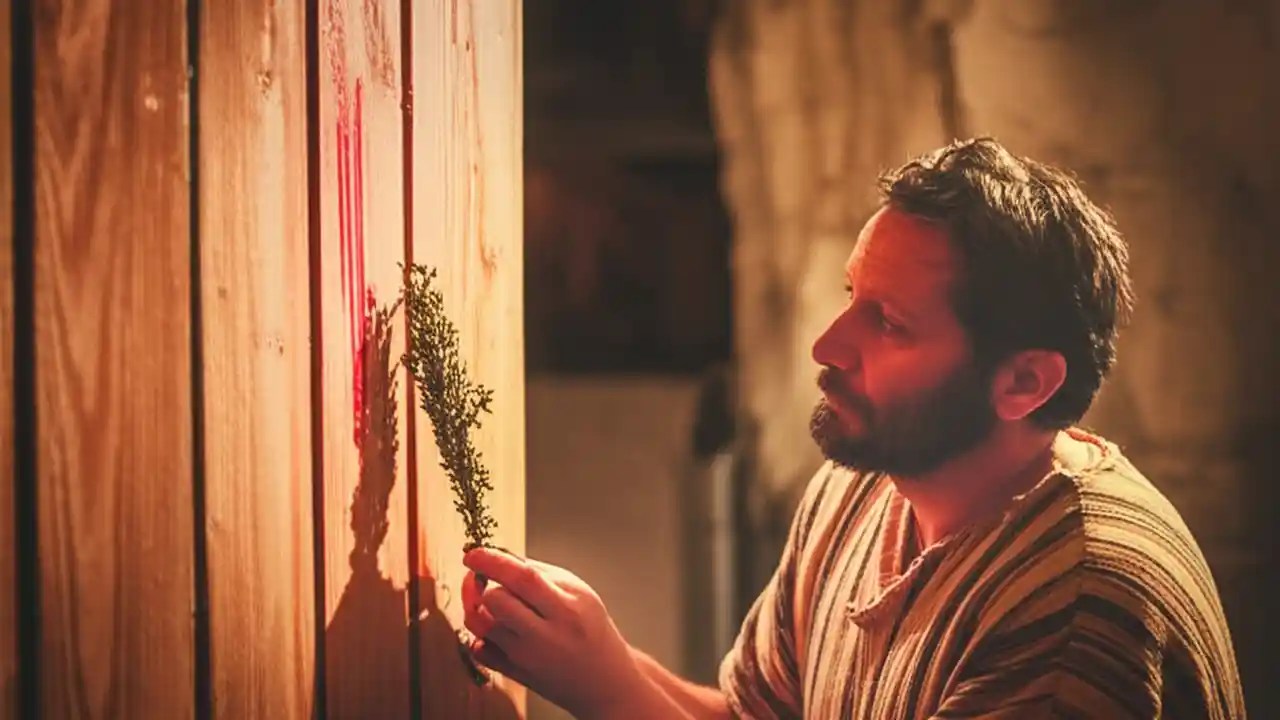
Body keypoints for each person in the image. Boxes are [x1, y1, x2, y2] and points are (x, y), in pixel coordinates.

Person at [461, 138, 1247, 719]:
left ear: (1023, 382)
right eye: (851, 294)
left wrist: (608, 689)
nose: (828, 346)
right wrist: (582, 647)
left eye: (890, 323)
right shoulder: (862, 488)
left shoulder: (1073, 614)